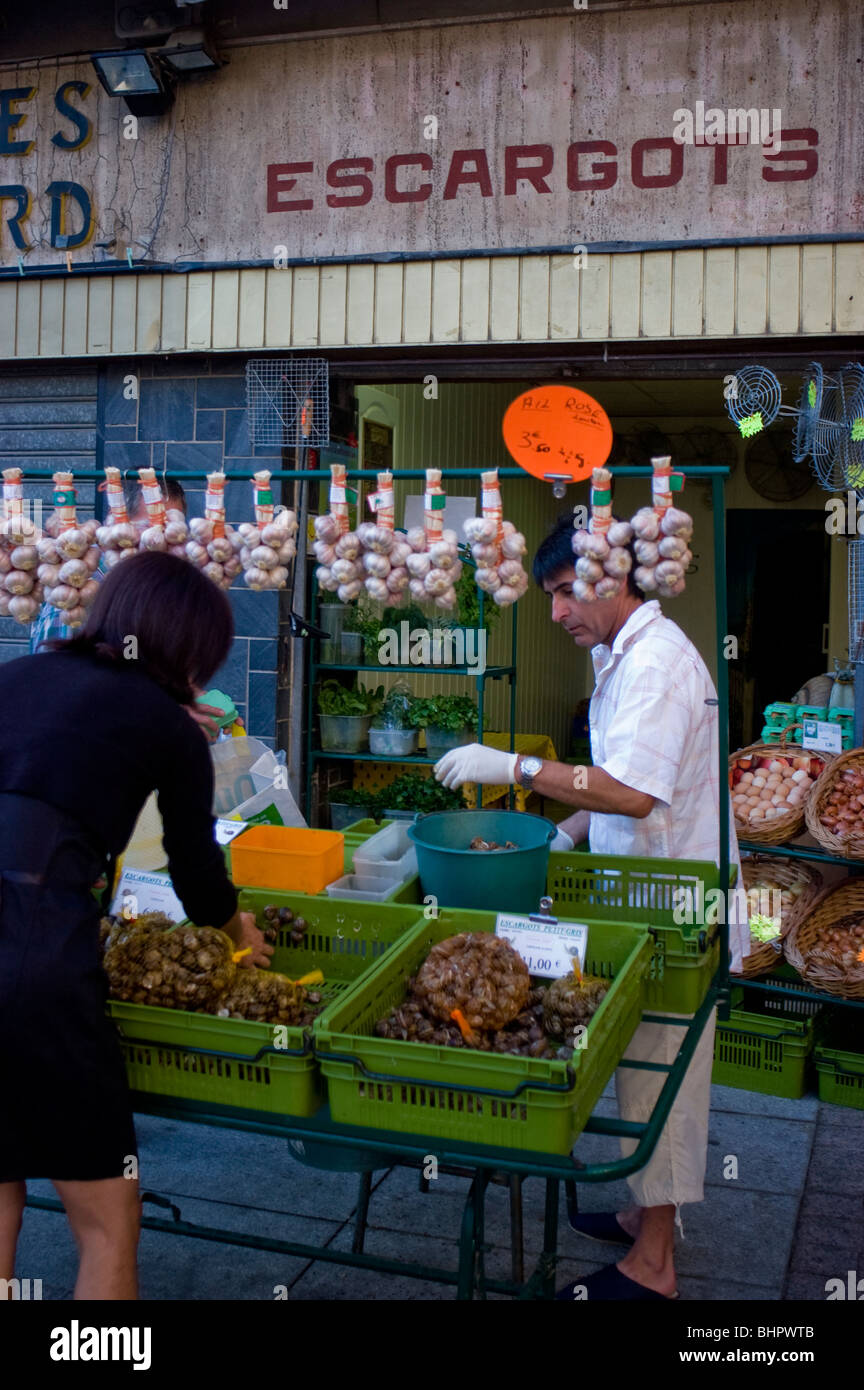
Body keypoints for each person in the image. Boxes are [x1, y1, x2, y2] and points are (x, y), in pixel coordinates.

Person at [435, 514, 745, 1302]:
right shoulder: (622, 655)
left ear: (618, 578)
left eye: (569, 592)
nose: (558, 612)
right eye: (549, 596)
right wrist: (564, 838)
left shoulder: (657, 665)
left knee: (661, 1075)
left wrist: (515, 765)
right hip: (637, 887)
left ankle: (656, 1267)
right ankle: (648, 1213)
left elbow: (637, 795)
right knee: (639, 1066)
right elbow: (612, 784)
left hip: (672, 902)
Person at [0, 552, 272, 1300]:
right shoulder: (170, 729)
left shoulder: (14, 675)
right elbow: (196, 872)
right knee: (106, 1219)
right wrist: (236, 930)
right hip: (36, 960)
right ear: (189, 651)